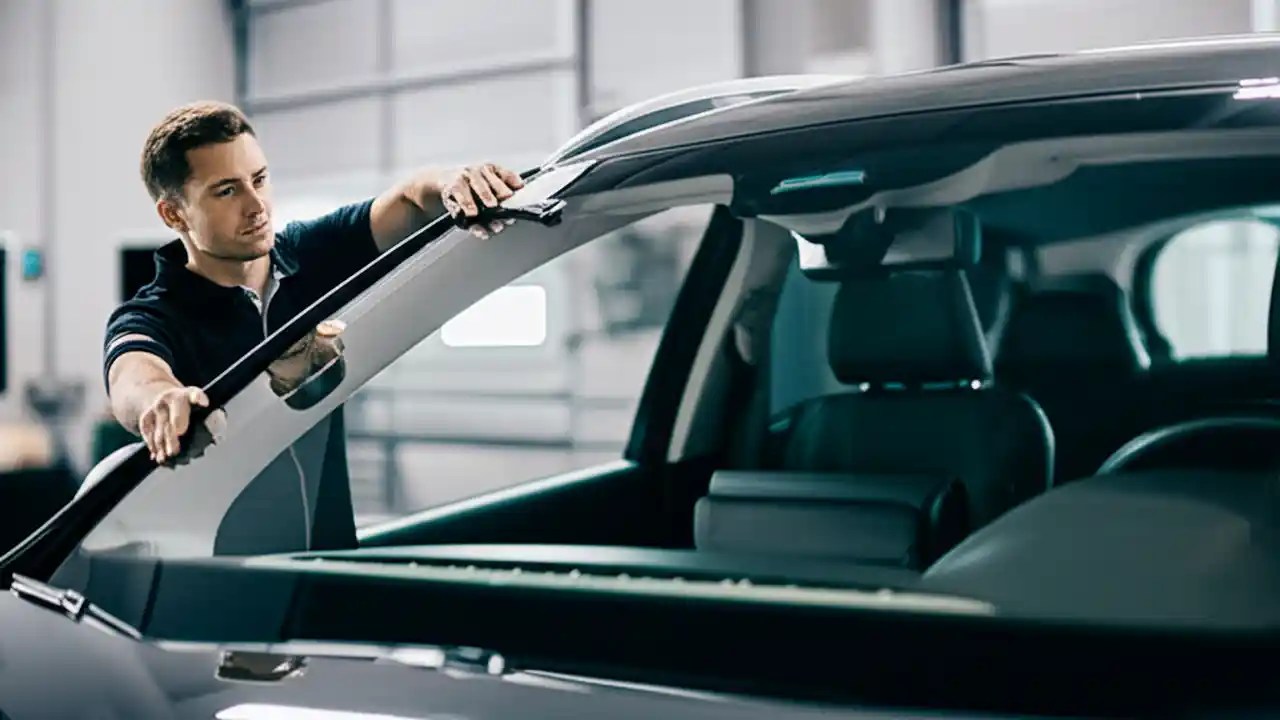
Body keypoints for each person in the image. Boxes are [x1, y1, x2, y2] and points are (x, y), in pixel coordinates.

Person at [101, 100, 525, 552]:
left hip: (329, 566)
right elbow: (133, 375)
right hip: (227, 581)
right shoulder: (155, 315)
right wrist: (160, 400)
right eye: (226, 191)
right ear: (174, 214)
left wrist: (452, 181)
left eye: (259, 179)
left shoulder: (310, 255)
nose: (256, 206)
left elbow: (408, 201)